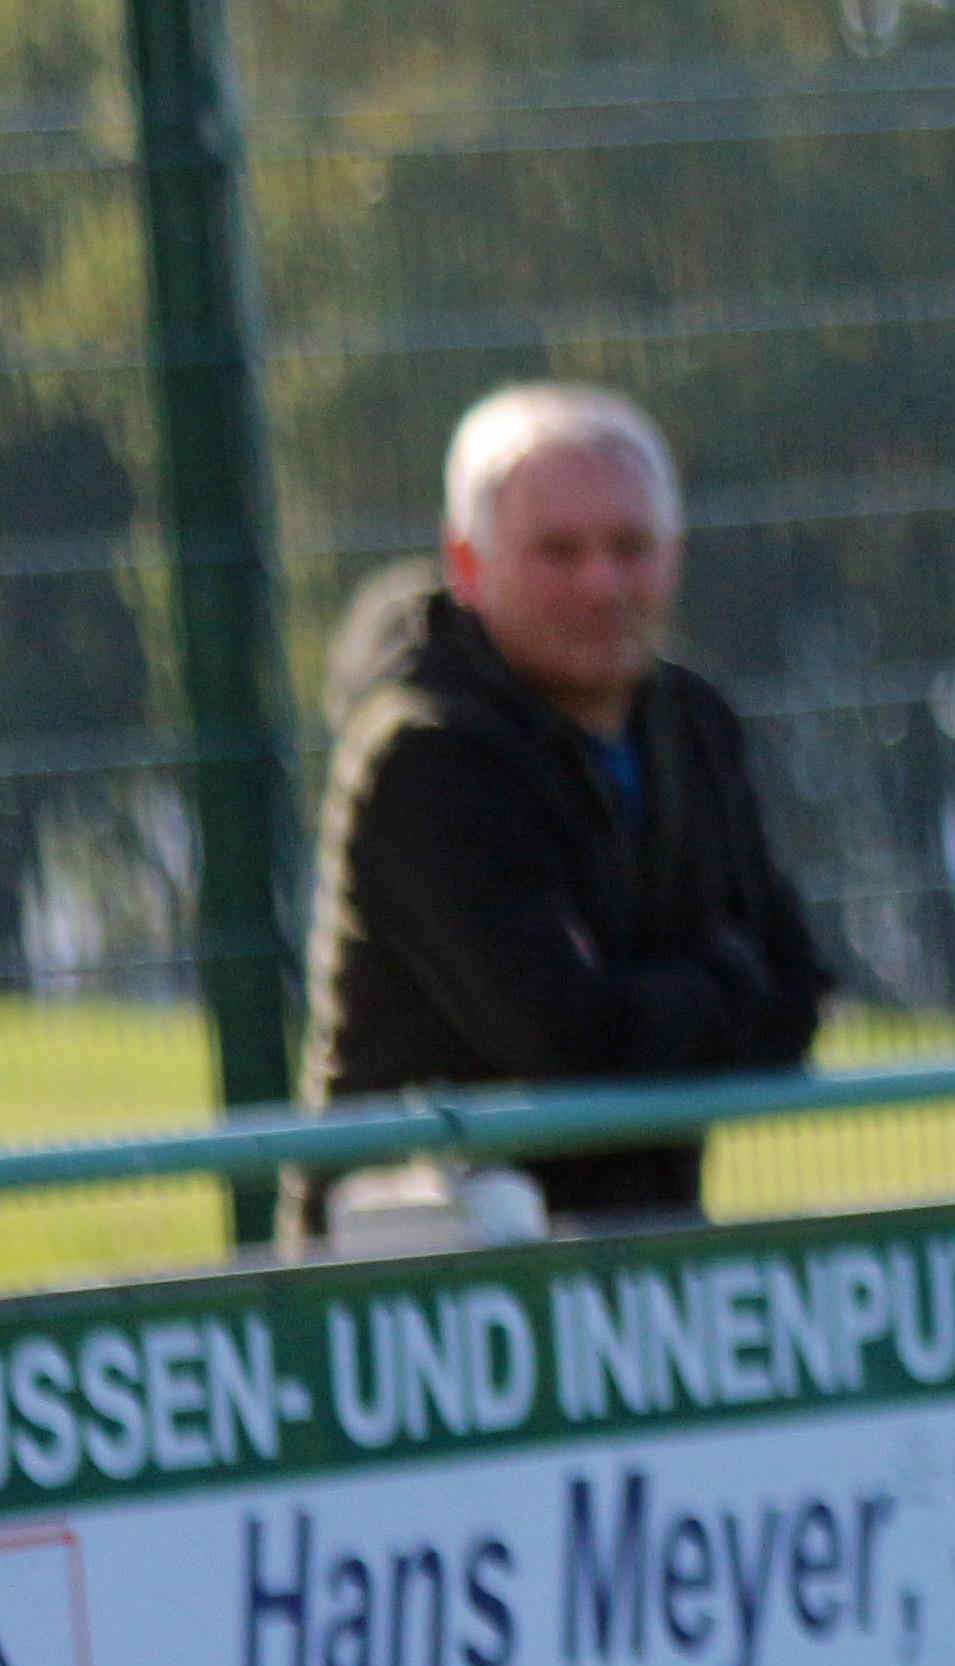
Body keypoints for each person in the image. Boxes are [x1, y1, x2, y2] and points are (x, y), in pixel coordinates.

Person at [302, 382, 826, 1230]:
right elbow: (562, 1041)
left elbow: (796, 998)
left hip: (642, 1259)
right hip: (418, 1292)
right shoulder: (425, 756)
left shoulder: (692, 725)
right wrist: (722, 981)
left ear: (675, 550)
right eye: (558, 552)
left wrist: (652, 1004)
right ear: (467, 564)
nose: (602, 582)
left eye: (630, 545)